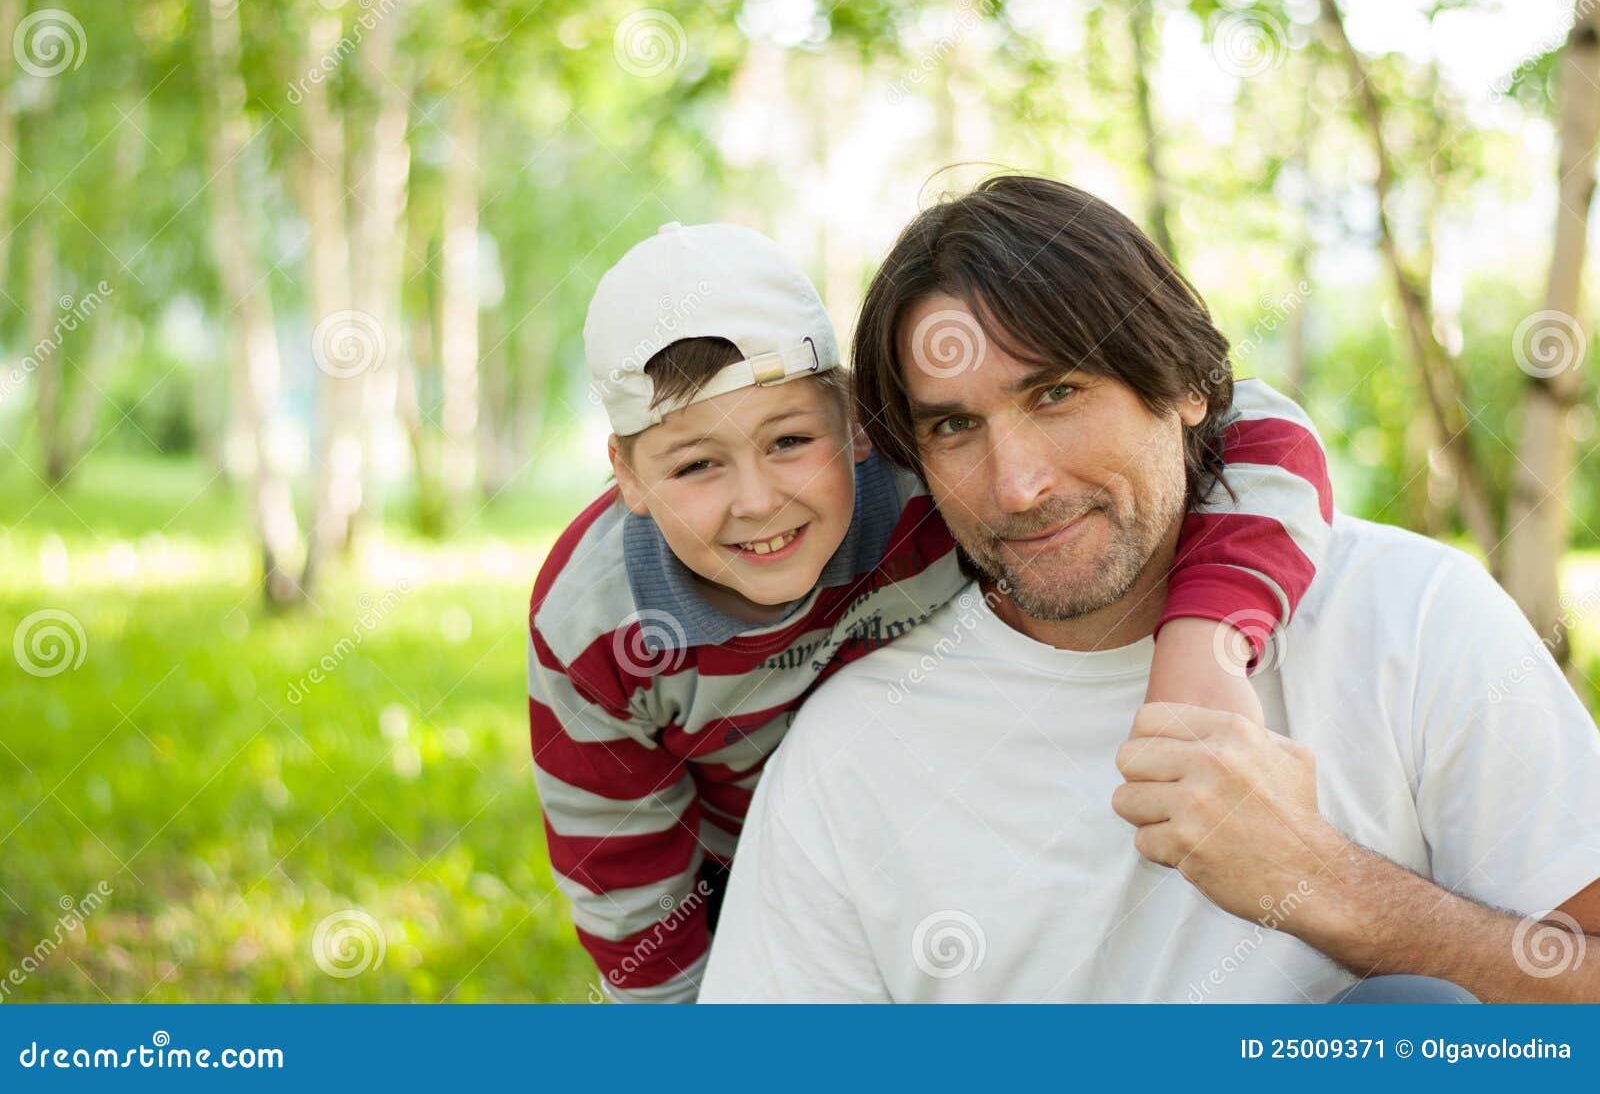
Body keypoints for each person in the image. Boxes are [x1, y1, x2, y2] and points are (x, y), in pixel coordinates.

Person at [697, 175, 1600, 1003]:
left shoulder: (1416, 615)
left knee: (1409, 1017)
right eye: (956, 425)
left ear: (1188, 386)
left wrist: (1325, 883)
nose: (1018, 484)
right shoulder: (852, 750)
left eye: (1056, 393)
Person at [529, 218, 1333, 1001]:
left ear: (853, 425)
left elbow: (1252, 424)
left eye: (789, 442)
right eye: (698, 464)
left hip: (921, 847)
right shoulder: (593, 627)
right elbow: (621, 873)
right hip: (735, 887)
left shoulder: (939, 482)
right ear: (626, 476)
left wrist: (1205, 645)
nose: (758, 500)